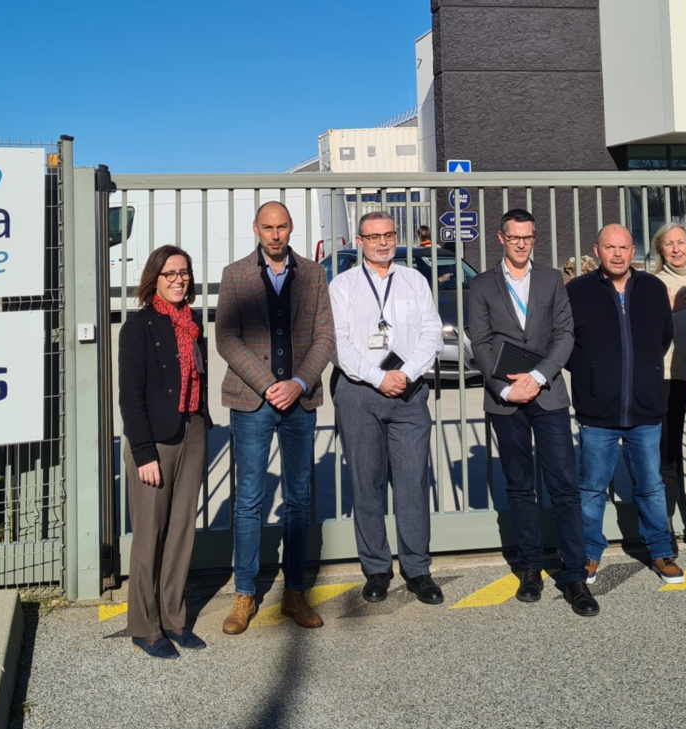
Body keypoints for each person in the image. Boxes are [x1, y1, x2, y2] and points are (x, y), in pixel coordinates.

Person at [466, 209, 597, 617]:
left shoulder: (551, 279)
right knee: (520, 487)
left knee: (564, 486)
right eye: (515, 237)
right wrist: (506, 387)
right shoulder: (482, 285)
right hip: (505, 398)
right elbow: (481, 340)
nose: (522, 244)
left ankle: (575, 575)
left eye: (528, 237)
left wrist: (537, 377)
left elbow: (564, 333)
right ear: (500, 238)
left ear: (533, 239)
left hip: (547, 394)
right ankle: (530, 569)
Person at [215, 200, 335, 633]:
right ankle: (245, 594)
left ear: (291, 228)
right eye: (268, 227)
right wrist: (269, 384)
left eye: (282, 227)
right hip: (253, 401)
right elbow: (226, 338)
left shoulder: (315, 274)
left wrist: (299, 382)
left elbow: (325, 336)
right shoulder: (236, 274)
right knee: (249, 499)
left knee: (299, 499)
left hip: (299, 401)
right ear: (256, 229)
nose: (276, 234)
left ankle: (295, 593)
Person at [329, 212, 445, 605]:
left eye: (389, 234)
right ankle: (377, 568)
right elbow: (339, 343)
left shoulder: (414, 280)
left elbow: (431, 332)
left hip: (409, 393)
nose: (383, 242)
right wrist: (379, 378)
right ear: (359, 241)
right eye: (374, 236)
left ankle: (418, 570)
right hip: (360, 391)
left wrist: (407, 374)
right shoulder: (342, 286)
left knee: (413, 482)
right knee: (366, 483)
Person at [567, 224, 683, 586]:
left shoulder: (651, 288)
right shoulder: (578, 291)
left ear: (634, 251)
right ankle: (588, 554)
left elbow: (663, 337)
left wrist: (645, 373)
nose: (617, 254)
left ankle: (661, 552)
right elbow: (568, 344)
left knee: (650, 485)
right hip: (598, 411)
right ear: (596, 250)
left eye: (624, 247)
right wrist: (592, 375)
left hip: (646, 409)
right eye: (609, 247)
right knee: (591, 489)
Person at [118, 245, 211, 659]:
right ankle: (145, 625)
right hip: (154, 441)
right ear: (154, 278)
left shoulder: (191, 323)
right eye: (171, 273)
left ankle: (174, 619)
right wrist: (143, 453)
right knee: (150, 536)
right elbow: (130, 397)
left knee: (180, 535)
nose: (179, 279)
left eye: (185, 273)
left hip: (191, 430)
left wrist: (202, 420)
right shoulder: (138, 328)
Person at [648, 222, 686, 541]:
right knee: (668, 456)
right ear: (660, 250)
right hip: (668, 379)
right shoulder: (653, 283)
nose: (675, 249)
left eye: (681, 242)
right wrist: (669, 308)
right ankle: (666, 527)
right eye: (668, 244)